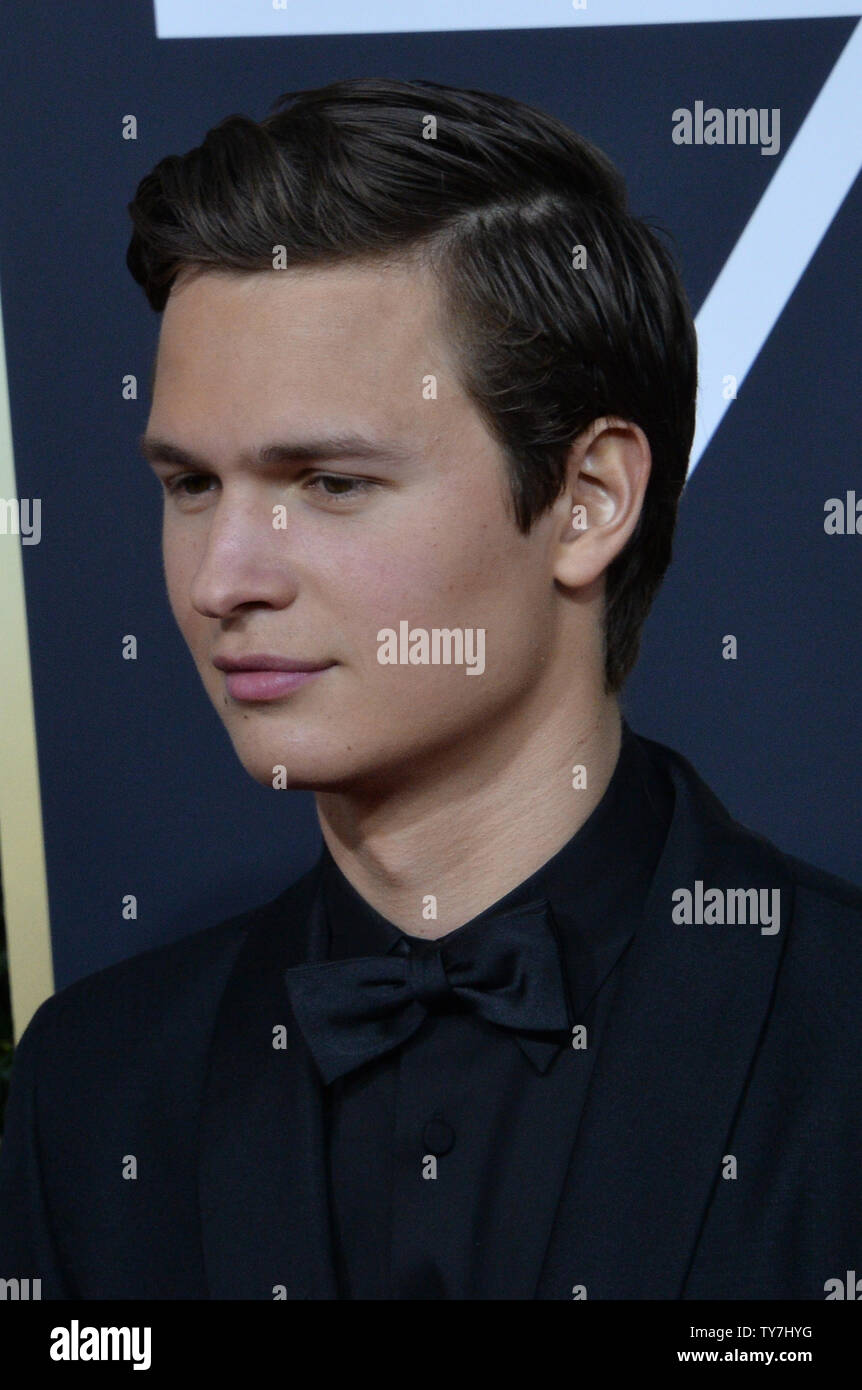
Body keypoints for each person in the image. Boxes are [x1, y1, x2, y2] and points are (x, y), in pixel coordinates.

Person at [1, 77, 860, 1301]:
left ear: (587, 501)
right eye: (190, 485)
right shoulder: (92, 1087)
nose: (220, 579)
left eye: (331, 483)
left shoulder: (839, 1041)